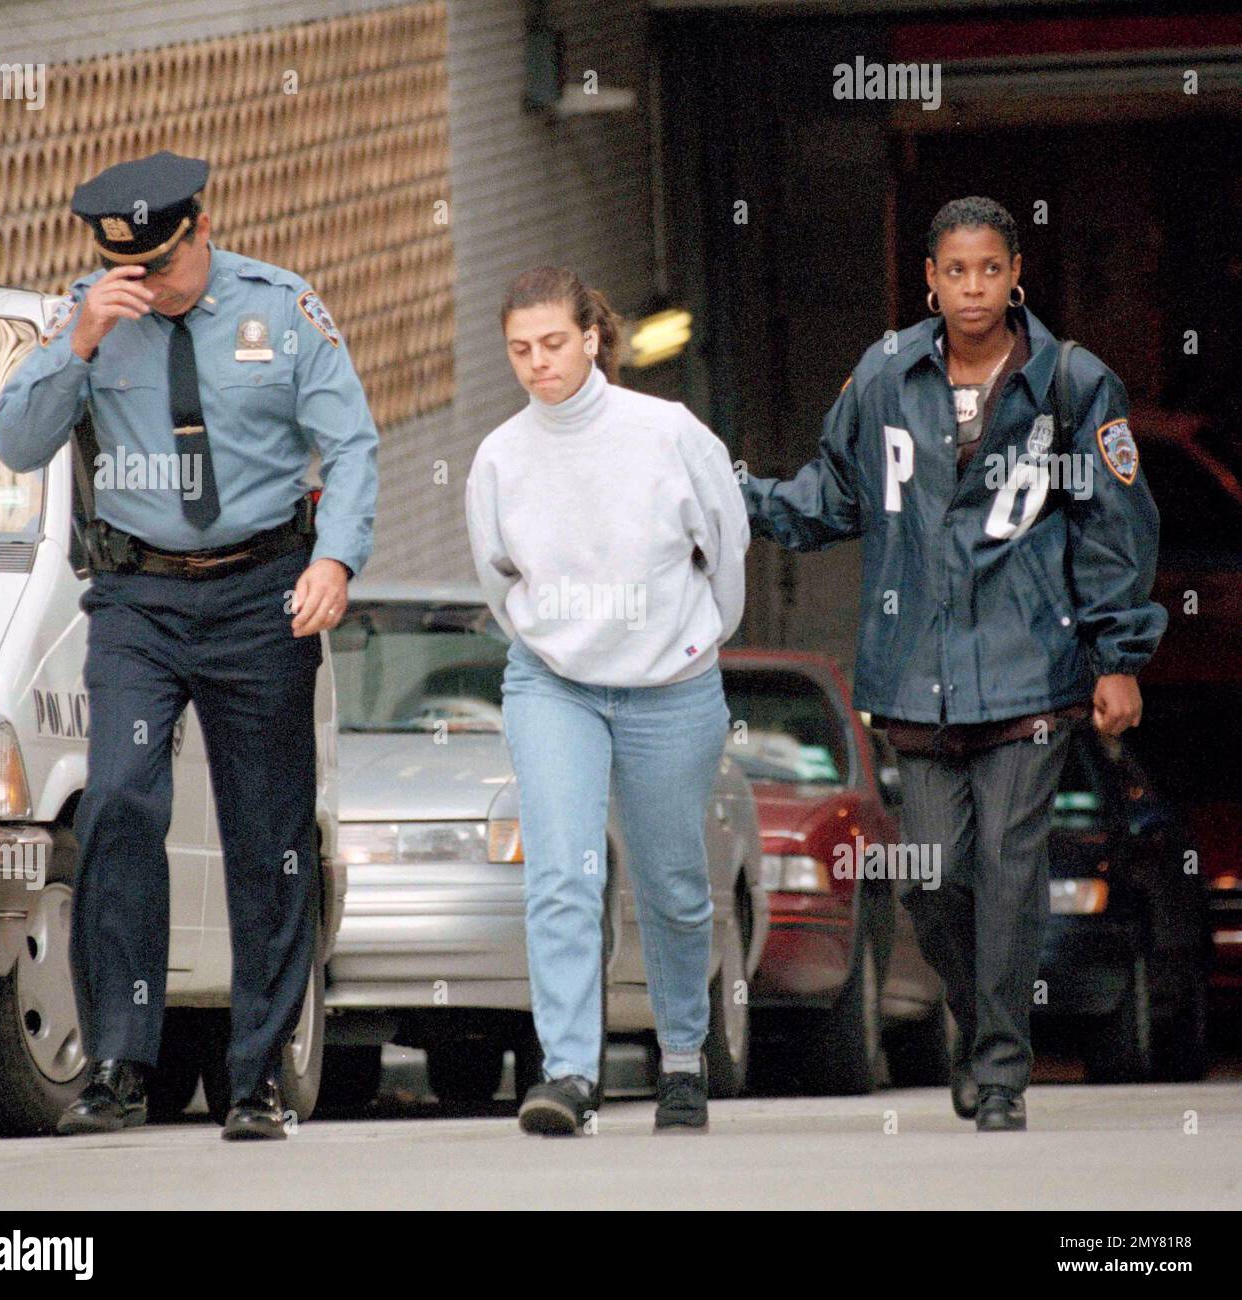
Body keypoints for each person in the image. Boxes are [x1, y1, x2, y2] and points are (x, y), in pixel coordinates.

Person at [742, 196, 1165, 1132]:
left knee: (1011, 871)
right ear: (928, 281)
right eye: (954, 271)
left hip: (1031, 673)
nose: (972, 287)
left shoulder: (1072, 383)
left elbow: (1114, 529)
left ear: (1016, 275)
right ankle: (984, 1028)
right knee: (933, 880)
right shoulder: (885, 375)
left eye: (989, 269)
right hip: (913, 675)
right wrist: (738, 499)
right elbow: (833, 496)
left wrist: (1117, 656)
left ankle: (1004, 1074)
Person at [0, 150, 379, 1141]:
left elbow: (354, 442)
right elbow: (15, 443)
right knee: (119, 800)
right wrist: (76, 344)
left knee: (268, 832)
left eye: (164, 264)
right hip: (138, 602)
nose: (150, 284)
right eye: (133, 269)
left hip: (263, 593)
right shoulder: (88, 316)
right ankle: (120, 1061)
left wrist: (334, 561)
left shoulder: (281, 308)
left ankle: (253, 1078)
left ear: (200, 232)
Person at [466, 266, 750, 1136]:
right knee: (561, 872)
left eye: (554, 343)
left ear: (591, 337)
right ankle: (568, 1075)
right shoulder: (499, 456)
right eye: (520, 349)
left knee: (672, 884)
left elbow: (726, 546)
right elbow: (498, 576)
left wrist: (693, 644)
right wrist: (552, 643)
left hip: (671, 686)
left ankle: (680, 1060)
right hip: (555, 683)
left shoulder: (667, 433)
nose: (538, 363)